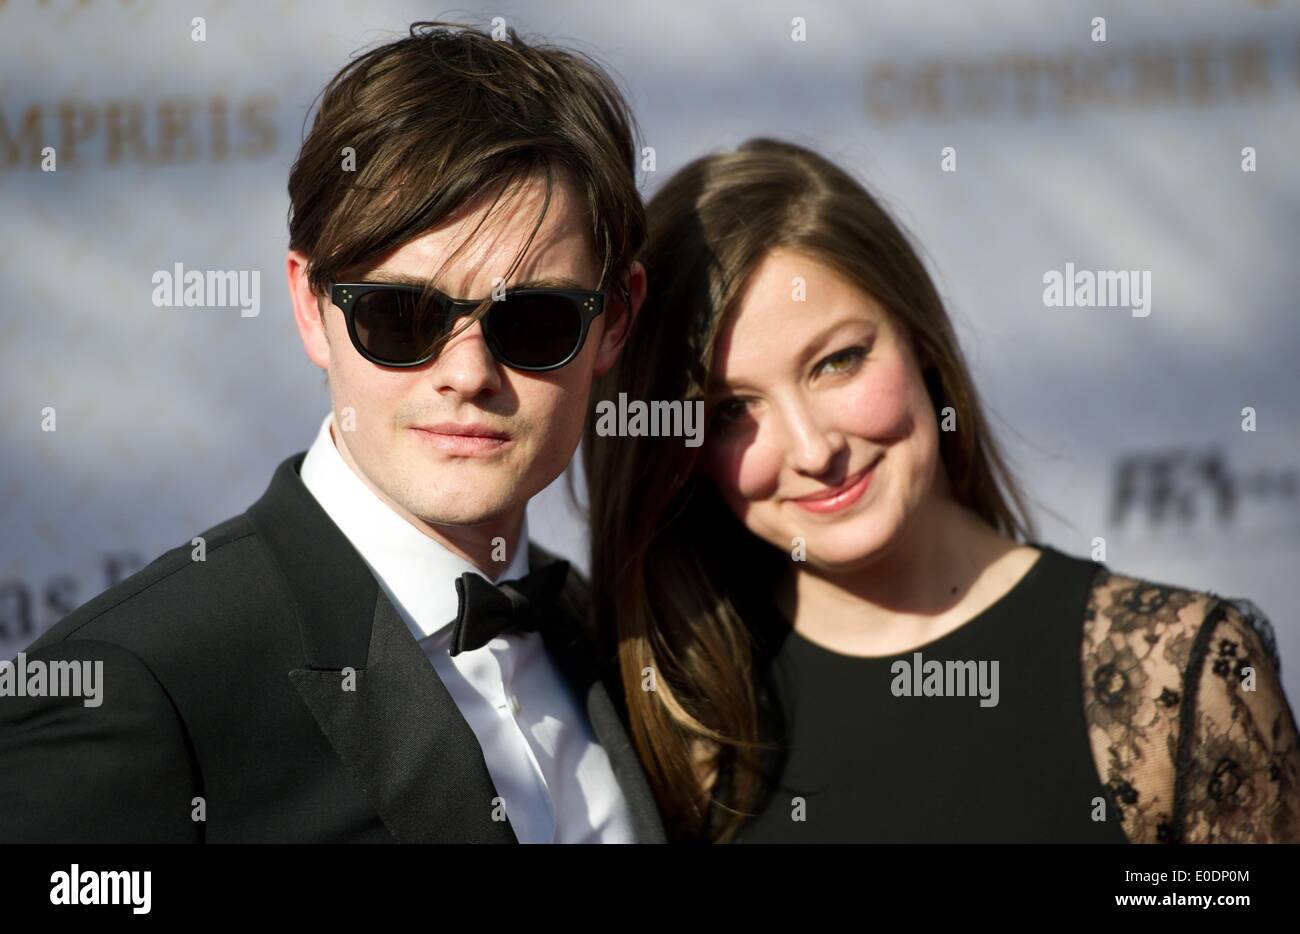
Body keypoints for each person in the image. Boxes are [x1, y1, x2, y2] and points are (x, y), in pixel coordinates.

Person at [0, 21, 664, 844]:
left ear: (617, 320)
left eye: (533, 320)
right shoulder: (134, 690)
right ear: (311, 308)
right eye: (400, 314)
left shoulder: (623, 646)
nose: (467, 373)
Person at [582, 137, 1300, 843]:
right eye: (730, 411)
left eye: (838, 362)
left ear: (919, 337)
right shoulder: (666, 729)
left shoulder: (1174, 673)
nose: (813, 448)